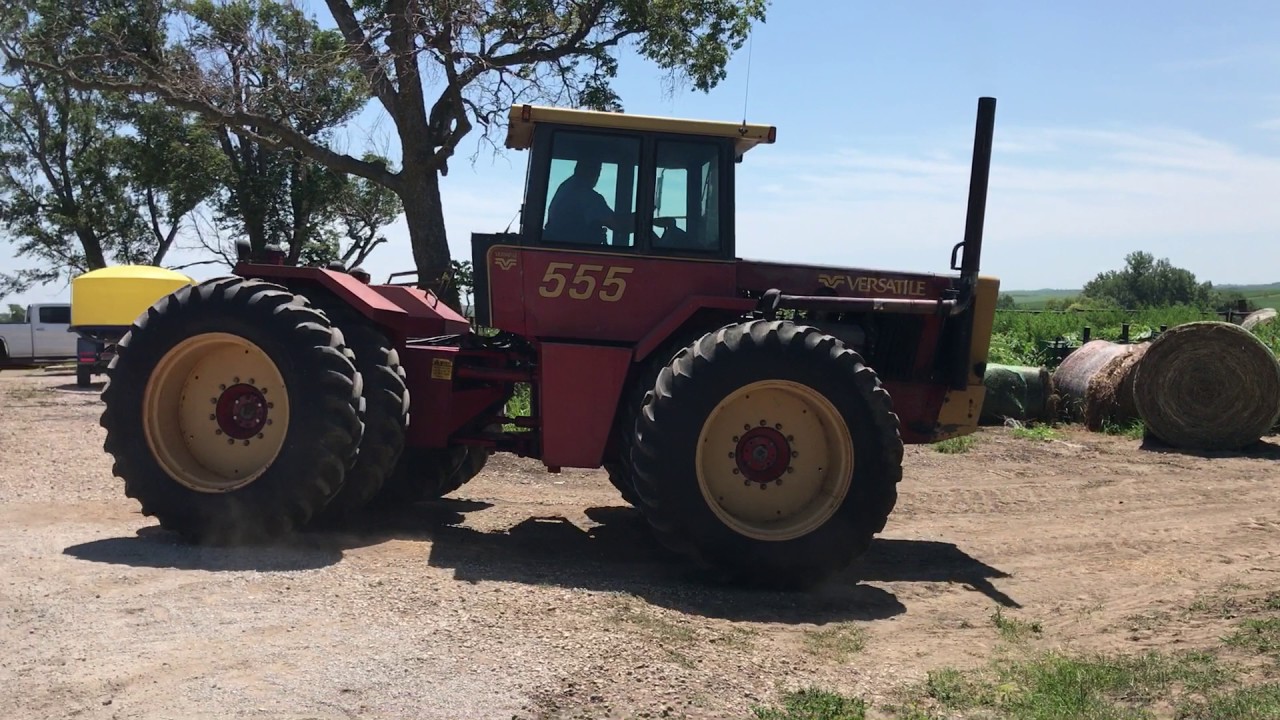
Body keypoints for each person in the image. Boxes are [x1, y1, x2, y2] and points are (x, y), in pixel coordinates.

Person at [544, 159, 630, 244]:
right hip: (577, 250)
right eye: (596, 169)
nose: (597, 174)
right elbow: (618, 225)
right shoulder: (588, 197)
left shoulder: (565, 188)